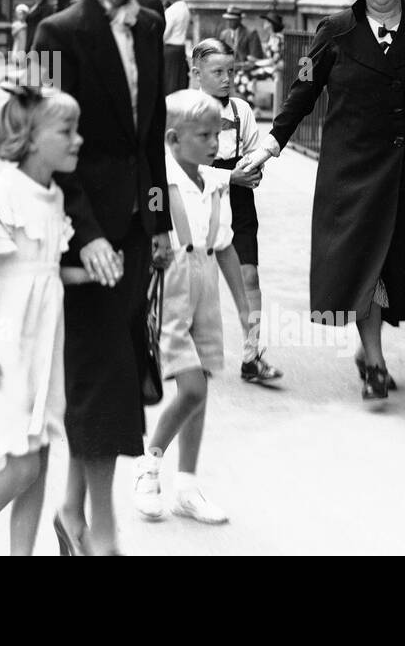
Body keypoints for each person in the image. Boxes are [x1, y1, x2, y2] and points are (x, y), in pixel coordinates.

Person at [239, 0, 405, 400]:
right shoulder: (333, 31)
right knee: (364, 262)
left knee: (392, 264)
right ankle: (374, 359)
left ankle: (370, 347)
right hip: (349, 172)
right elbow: (303, 89)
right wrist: (271, 145)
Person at [33, 0, 173, 557]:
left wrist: (163, 221)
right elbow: (47, 148)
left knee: (119, 374)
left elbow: (149, 138)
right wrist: (83, 233)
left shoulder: (151, 25)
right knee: (98, 379)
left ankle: (72, 513)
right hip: (81, 238)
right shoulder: (54, 35)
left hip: (135, 234)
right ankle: (97, 530)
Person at [0, 85, 89, 556]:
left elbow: (46, 267)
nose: (77, 140)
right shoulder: (6, 190)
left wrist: (94, 270)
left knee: (39, 461)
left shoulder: (53, 195)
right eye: (66, 131)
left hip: (44, 342)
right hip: (9, 343)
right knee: (23, 464)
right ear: (28, 138)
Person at [131, 90, 241, 526]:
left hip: (207, 287)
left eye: (217, 134)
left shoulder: (214, 183)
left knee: (202, 390)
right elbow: (146, 231)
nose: (214, 143)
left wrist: (248, 311)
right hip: (171, 291)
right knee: (191, 388)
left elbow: (227, 248)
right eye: (204, 135)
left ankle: (187, 487)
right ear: (174, 139)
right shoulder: (160, 185)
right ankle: (149, 465)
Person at [190, 39, 281, 382]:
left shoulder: (241, 111)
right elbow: (181, 169)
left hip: (239, 203)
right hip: (201, 201)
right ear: (197, 74)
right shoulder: (186, 112)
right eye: (218, 72)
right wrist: (233, 176)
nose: (227, 78)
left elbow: (254, 153)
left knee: (249, 277)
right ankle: (197, 354)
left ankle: (251, 355)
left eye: (231, 70)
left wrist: (253, 170)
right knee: (200, 279)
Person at [218, 6, 264, 102]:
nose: (229, 22)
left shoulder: (250, 33)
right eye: (228, 19)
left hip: (245, 71)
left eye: (233, 20)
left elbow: (256, 58)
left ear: (239, 20)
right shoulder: (224, 35)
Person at [161, 0, 190, 93]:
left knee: (170, 79)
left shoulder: (171, 11)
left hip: (170, 47)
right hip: (180, 47)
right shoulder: (185, 8)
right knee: (178, 79)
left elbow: (166, 32)